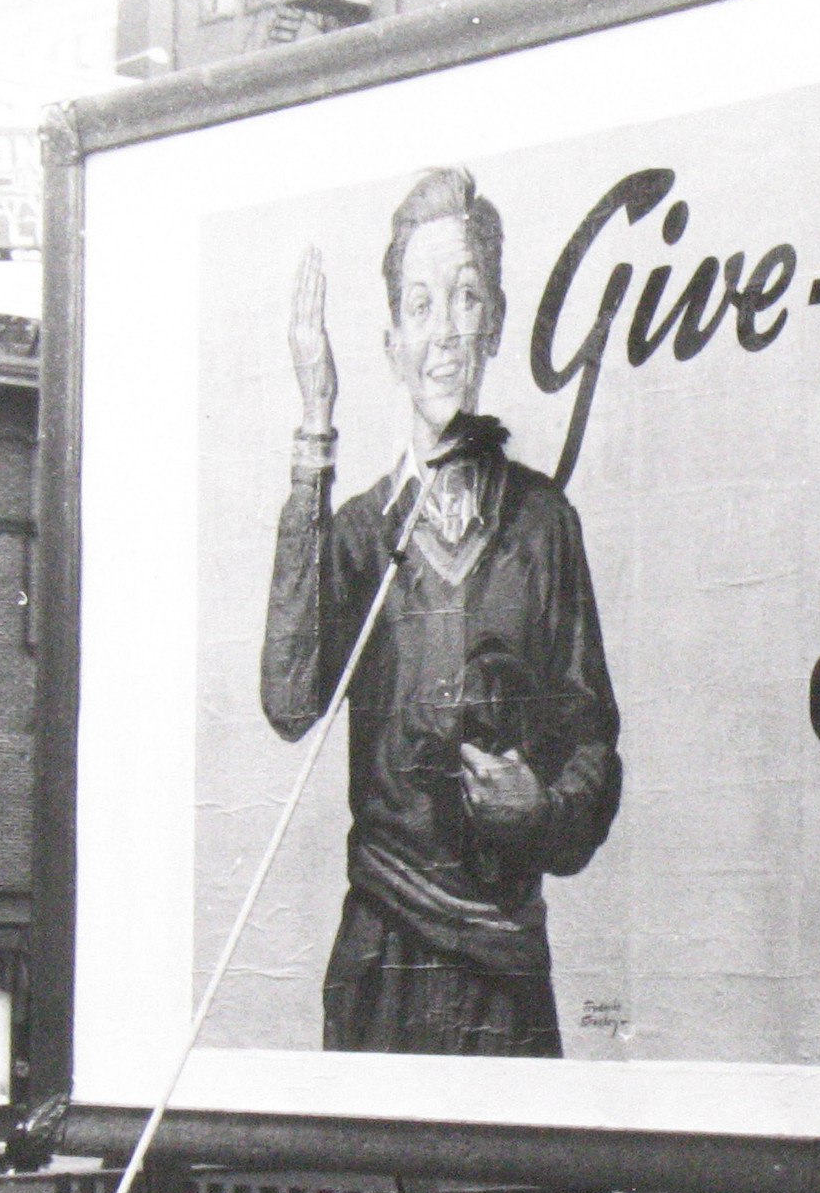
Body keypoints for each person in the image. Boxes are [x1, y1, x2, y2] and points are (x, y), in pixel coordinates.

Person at [263, 167, 621, 1056]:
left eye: (465, 300)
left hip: (503, 971)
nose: (445, 334)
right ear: (390, 342)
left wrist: (540, 806)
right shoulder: (357, 534)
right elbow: (288, 699)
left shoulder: (543, 526)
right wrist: (316, 425)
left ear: (495, 320)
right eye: (420, 307)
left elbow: (593, 746)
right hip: (383, 962)